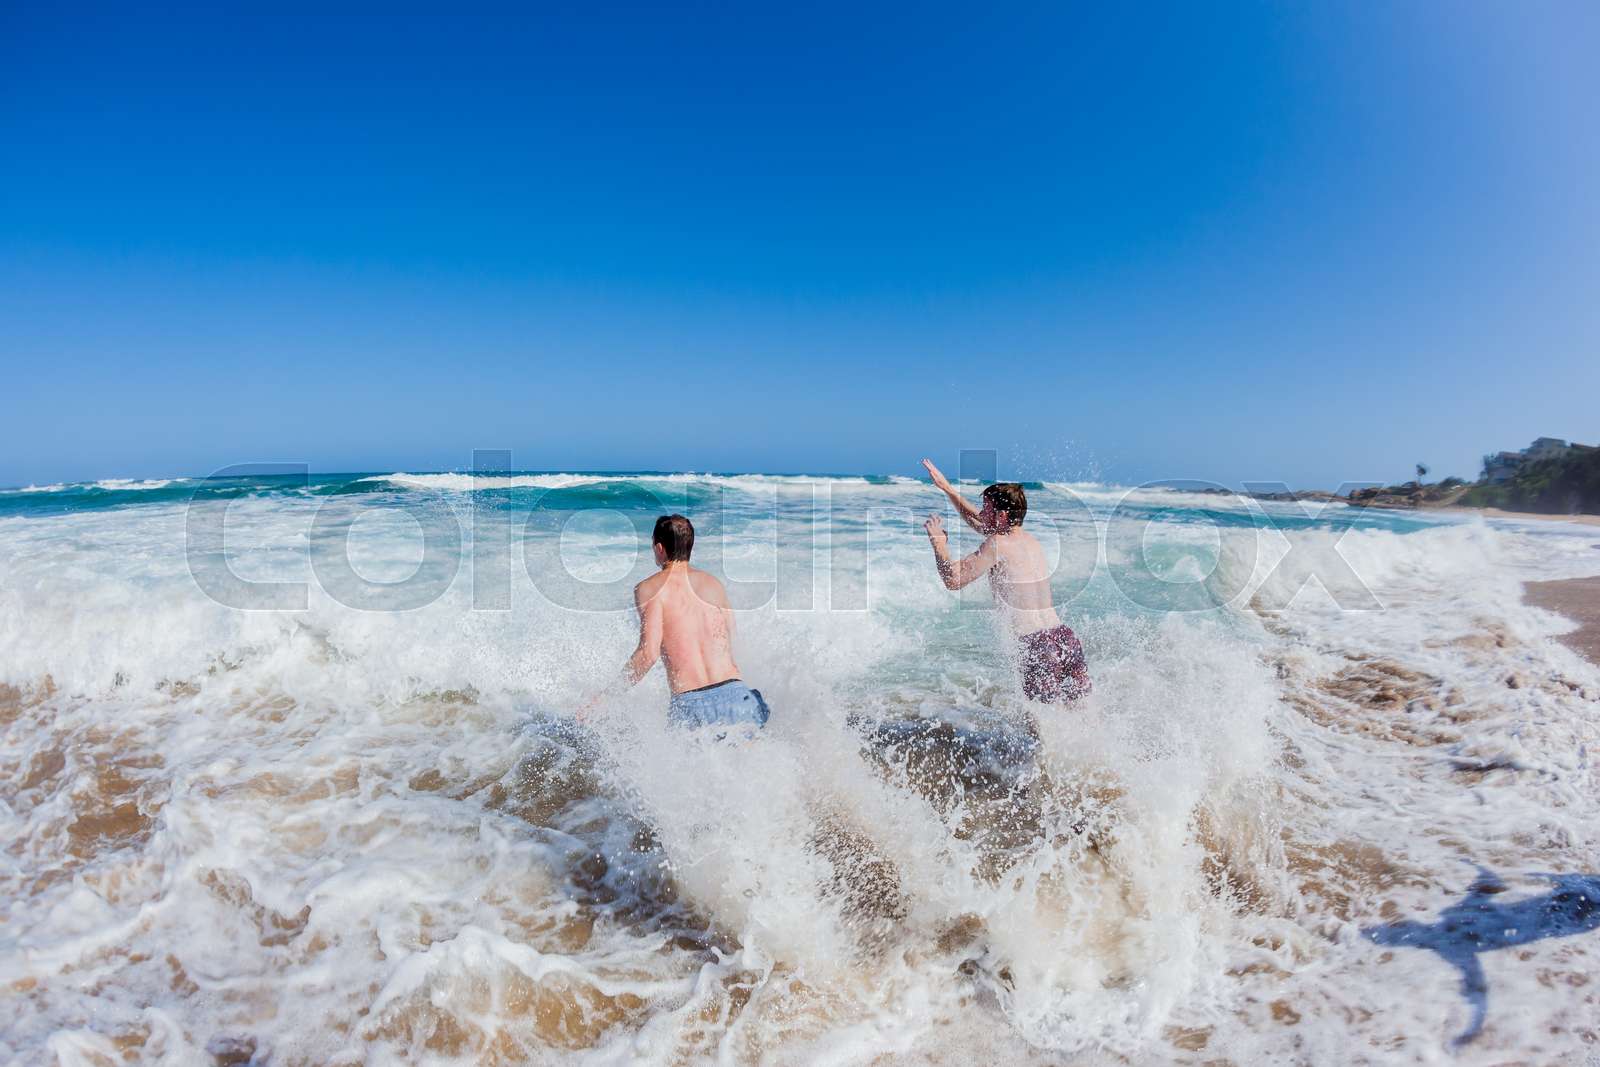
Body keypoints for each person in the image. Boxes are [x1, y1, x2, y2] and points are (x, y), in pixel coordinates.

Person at [920, 459, 1090, 703]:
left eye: (986, 508)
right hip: (1065, 640)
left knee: (1043, 723)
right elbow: (980, 523)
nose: (980, 513)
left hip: (1036, 648)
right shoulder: (1031, 542)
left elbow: (953, 579)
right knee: (1078, 713)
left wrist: (939, 545)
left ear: (1000, 516)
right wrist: (947, 489)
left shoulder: (997, 544)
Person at [589, 513, 771, 729]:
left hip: (692, 704)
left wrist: (607, 696)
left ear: (659, 548)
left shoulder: (650, 589)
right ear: (690, 546)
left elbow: (648, 654)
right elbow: (733, 637)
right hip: (739, 697)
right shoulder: (713, 584)